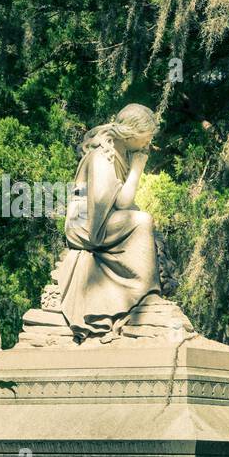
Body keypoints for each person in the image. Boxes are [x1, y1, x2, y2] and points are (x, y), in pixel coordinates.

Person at [57, 103, 160, 342]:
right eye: (146, 138)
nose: (148, 144)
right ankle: (143, 295)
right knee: (142, 221)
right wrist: (138, 168)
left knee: (145, 225)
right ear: (132, 133)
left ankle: (142, 295)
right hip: (85, 225)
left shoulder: (118, 153)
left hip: (99, 219)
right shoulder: (103, 156)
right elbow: (120, 204)